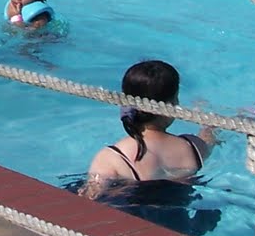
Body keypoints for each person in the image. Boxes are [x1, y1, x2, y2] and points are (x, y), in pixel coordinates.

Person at [82, 60, 218, 199]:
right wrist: (210, 124)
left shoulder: (112, 158)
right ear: (172, 104)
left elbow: (89, 199)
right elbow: (209, 139)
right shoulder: (194, 147)